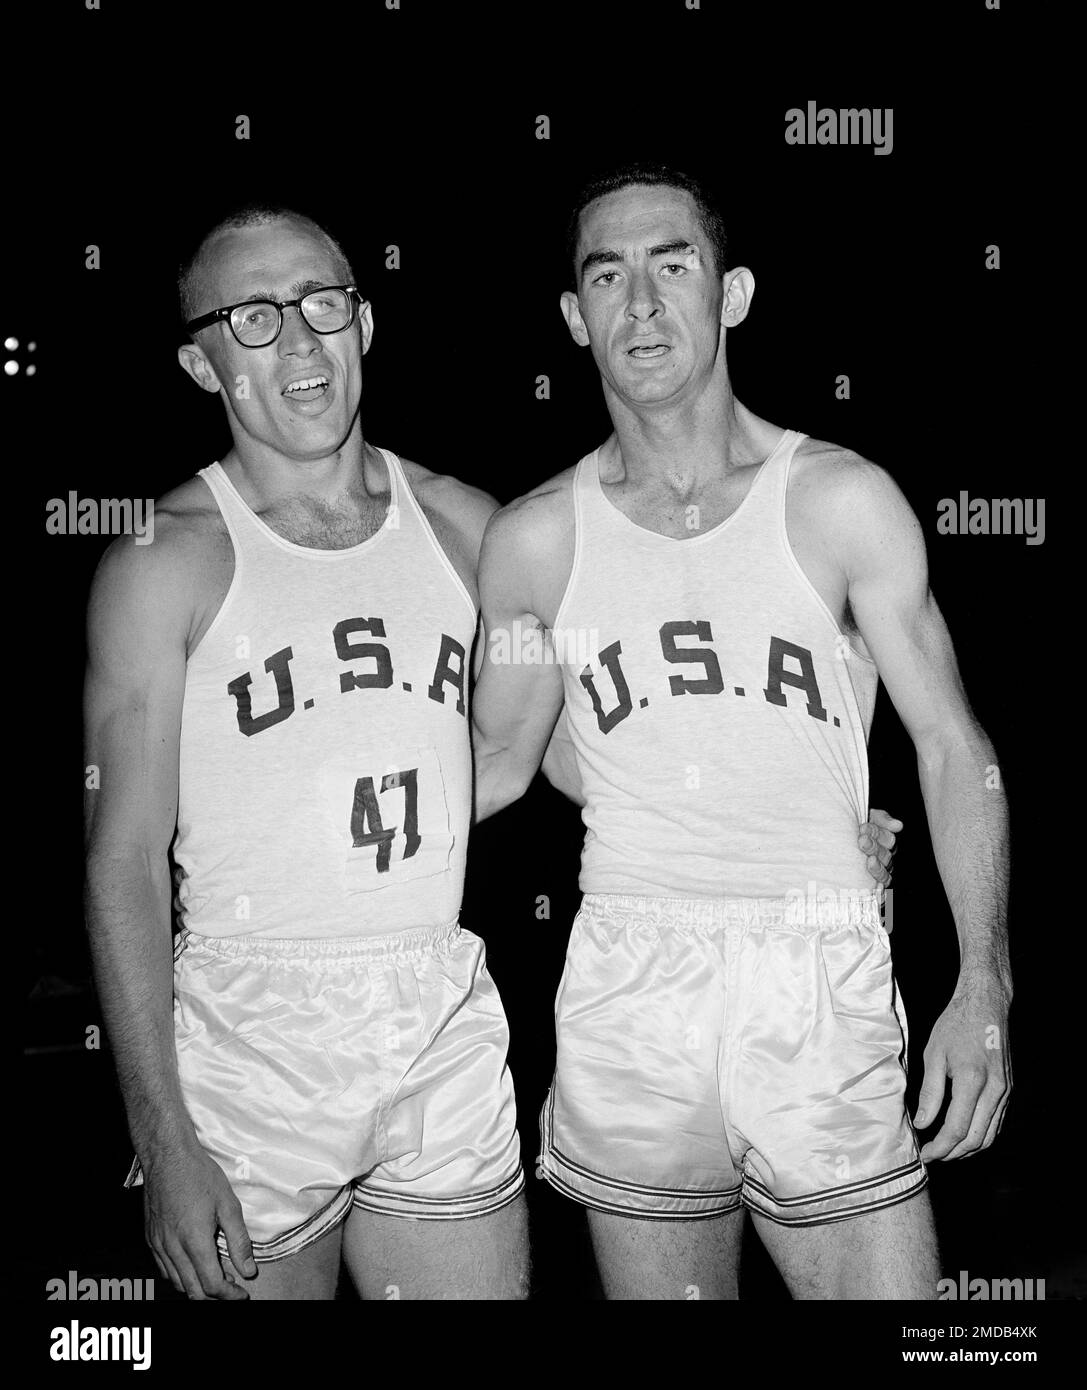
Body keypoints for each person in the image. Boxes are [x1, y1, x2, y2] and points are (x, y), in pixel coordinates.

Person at [471, 164, 1011, 1300]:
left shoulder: (838, 499)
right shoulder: (529, 545)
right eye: (606, 276)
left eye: (674, 265)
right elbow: (505, 759)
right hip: (632, 974)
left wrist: (983, 986)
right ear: (574, 319)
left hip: (813, 963)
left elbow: (957, 747)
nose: (642, 302)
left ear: (734, 295)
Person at [83, 206, 528, 1300]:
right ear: (200, 361)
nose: (298, 341)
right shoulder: (161, 562)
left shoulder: (470, 527)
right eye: (253, 317)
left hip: (435, 1011)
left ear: (363, 322)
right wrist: (166, 1136)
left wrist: (817, 823)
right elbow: (122, 861)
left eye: (322, 304)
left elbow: (544, 746)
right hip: (248, 1040)